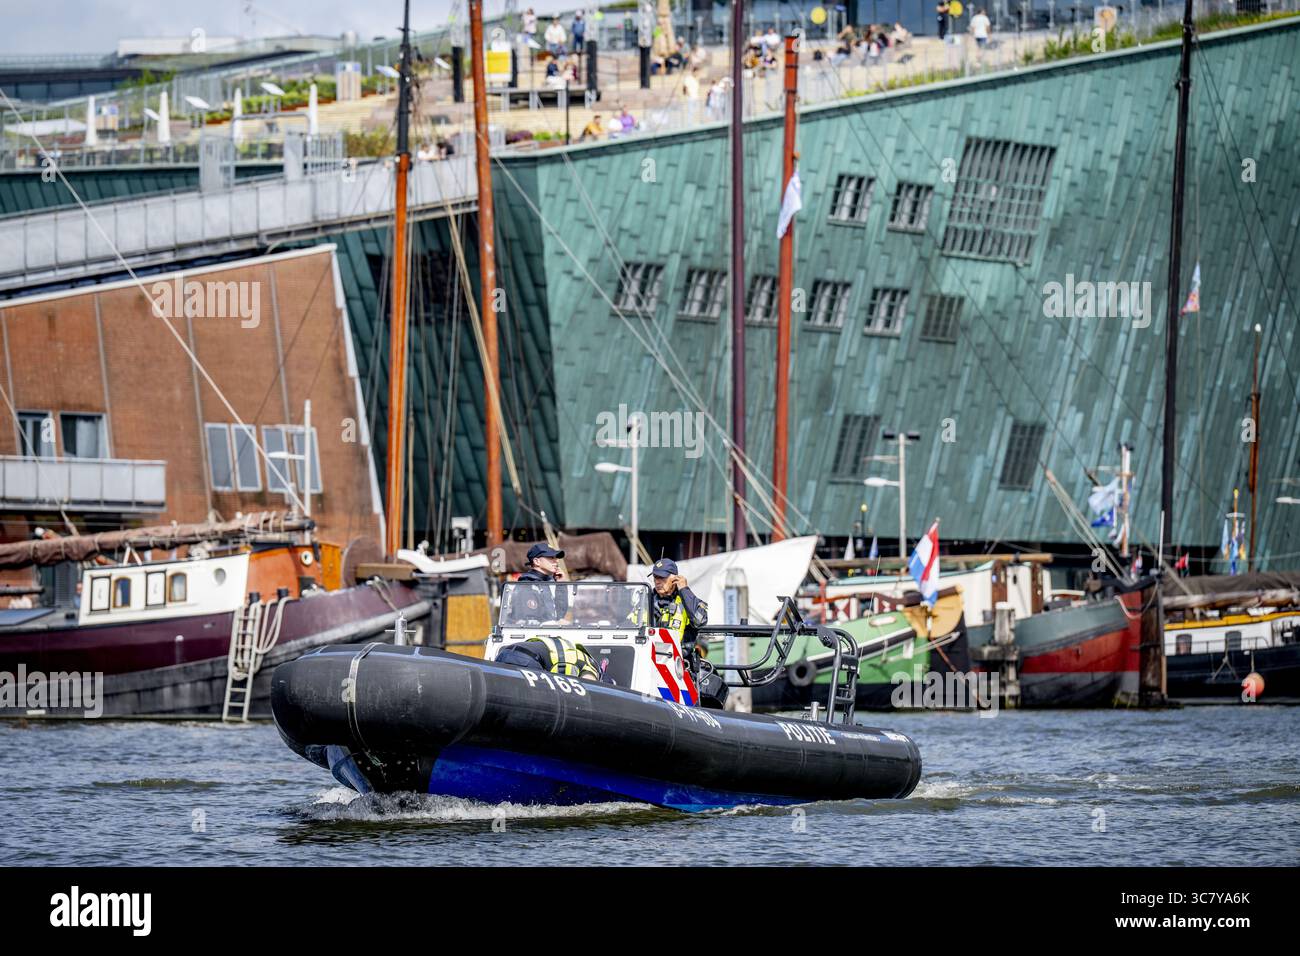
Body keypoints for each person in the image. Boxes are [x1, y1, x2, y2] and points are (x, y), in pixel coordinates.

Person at [648, 558, 708, 653]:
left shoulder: (687, 601)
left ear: (675, 578)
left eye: (662, 577)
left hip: (679, 659)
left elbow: (700, 621)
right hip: (648, 656)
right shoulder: (645, 599)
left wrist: (684, 589)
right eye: (655, 577)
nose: (657, 581)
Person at [515, 543, 569, 622]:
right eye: (551, 557)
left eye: (556, 557)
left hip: (547, 633)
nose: (557, 561)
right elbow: (530, 622)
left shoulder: (546, 582)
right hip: (534, 634)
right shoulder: (527, 585)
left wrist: (561, 585)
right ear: (537, 561)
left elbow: (559, 615)